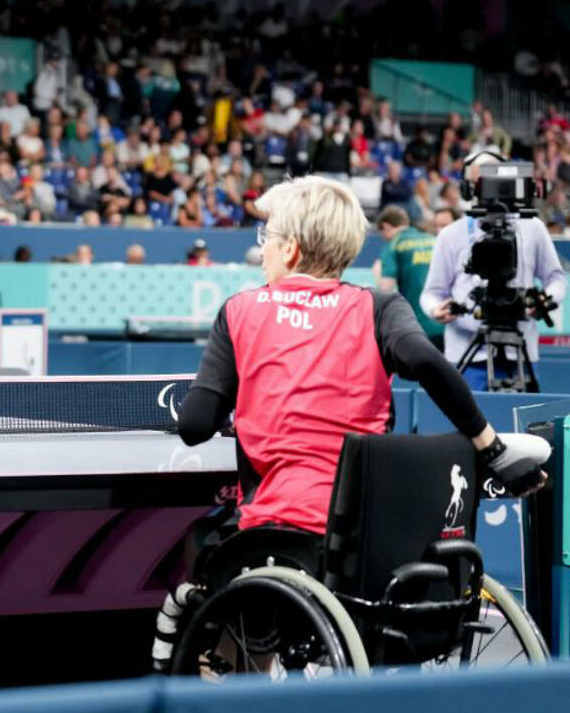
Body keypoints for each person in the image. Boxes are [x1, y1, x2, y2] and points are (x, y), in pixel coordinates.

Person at [157, 175, 551, 672]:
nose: (264, 254)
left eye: (268, 242)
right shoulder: (379, 307)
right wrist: (491, 449)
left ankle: (233, 685)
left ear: (293, 250)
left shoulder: (239, 311)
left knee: (203, 548)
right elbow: (428, 363)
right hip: (375, 540)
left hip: (283, 538)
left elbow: (194, 424)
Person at [421, 158, 568, 390]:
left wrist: (546, 300)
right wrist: (435, 308)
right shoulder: (450, 235)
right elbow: (431, 293)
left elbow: (557, 279)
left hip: (520, 352)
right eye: (482, 182)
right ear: (469, 188)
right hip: (465, 352)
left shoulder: (533, 227)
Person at [372, 206, 445, 350]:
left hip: (417, 326)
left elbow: (386, 286)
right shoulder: (432, 238)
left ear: (386, 226)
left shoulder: (395, 244)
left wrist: (377, 273)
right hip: (444, 321)